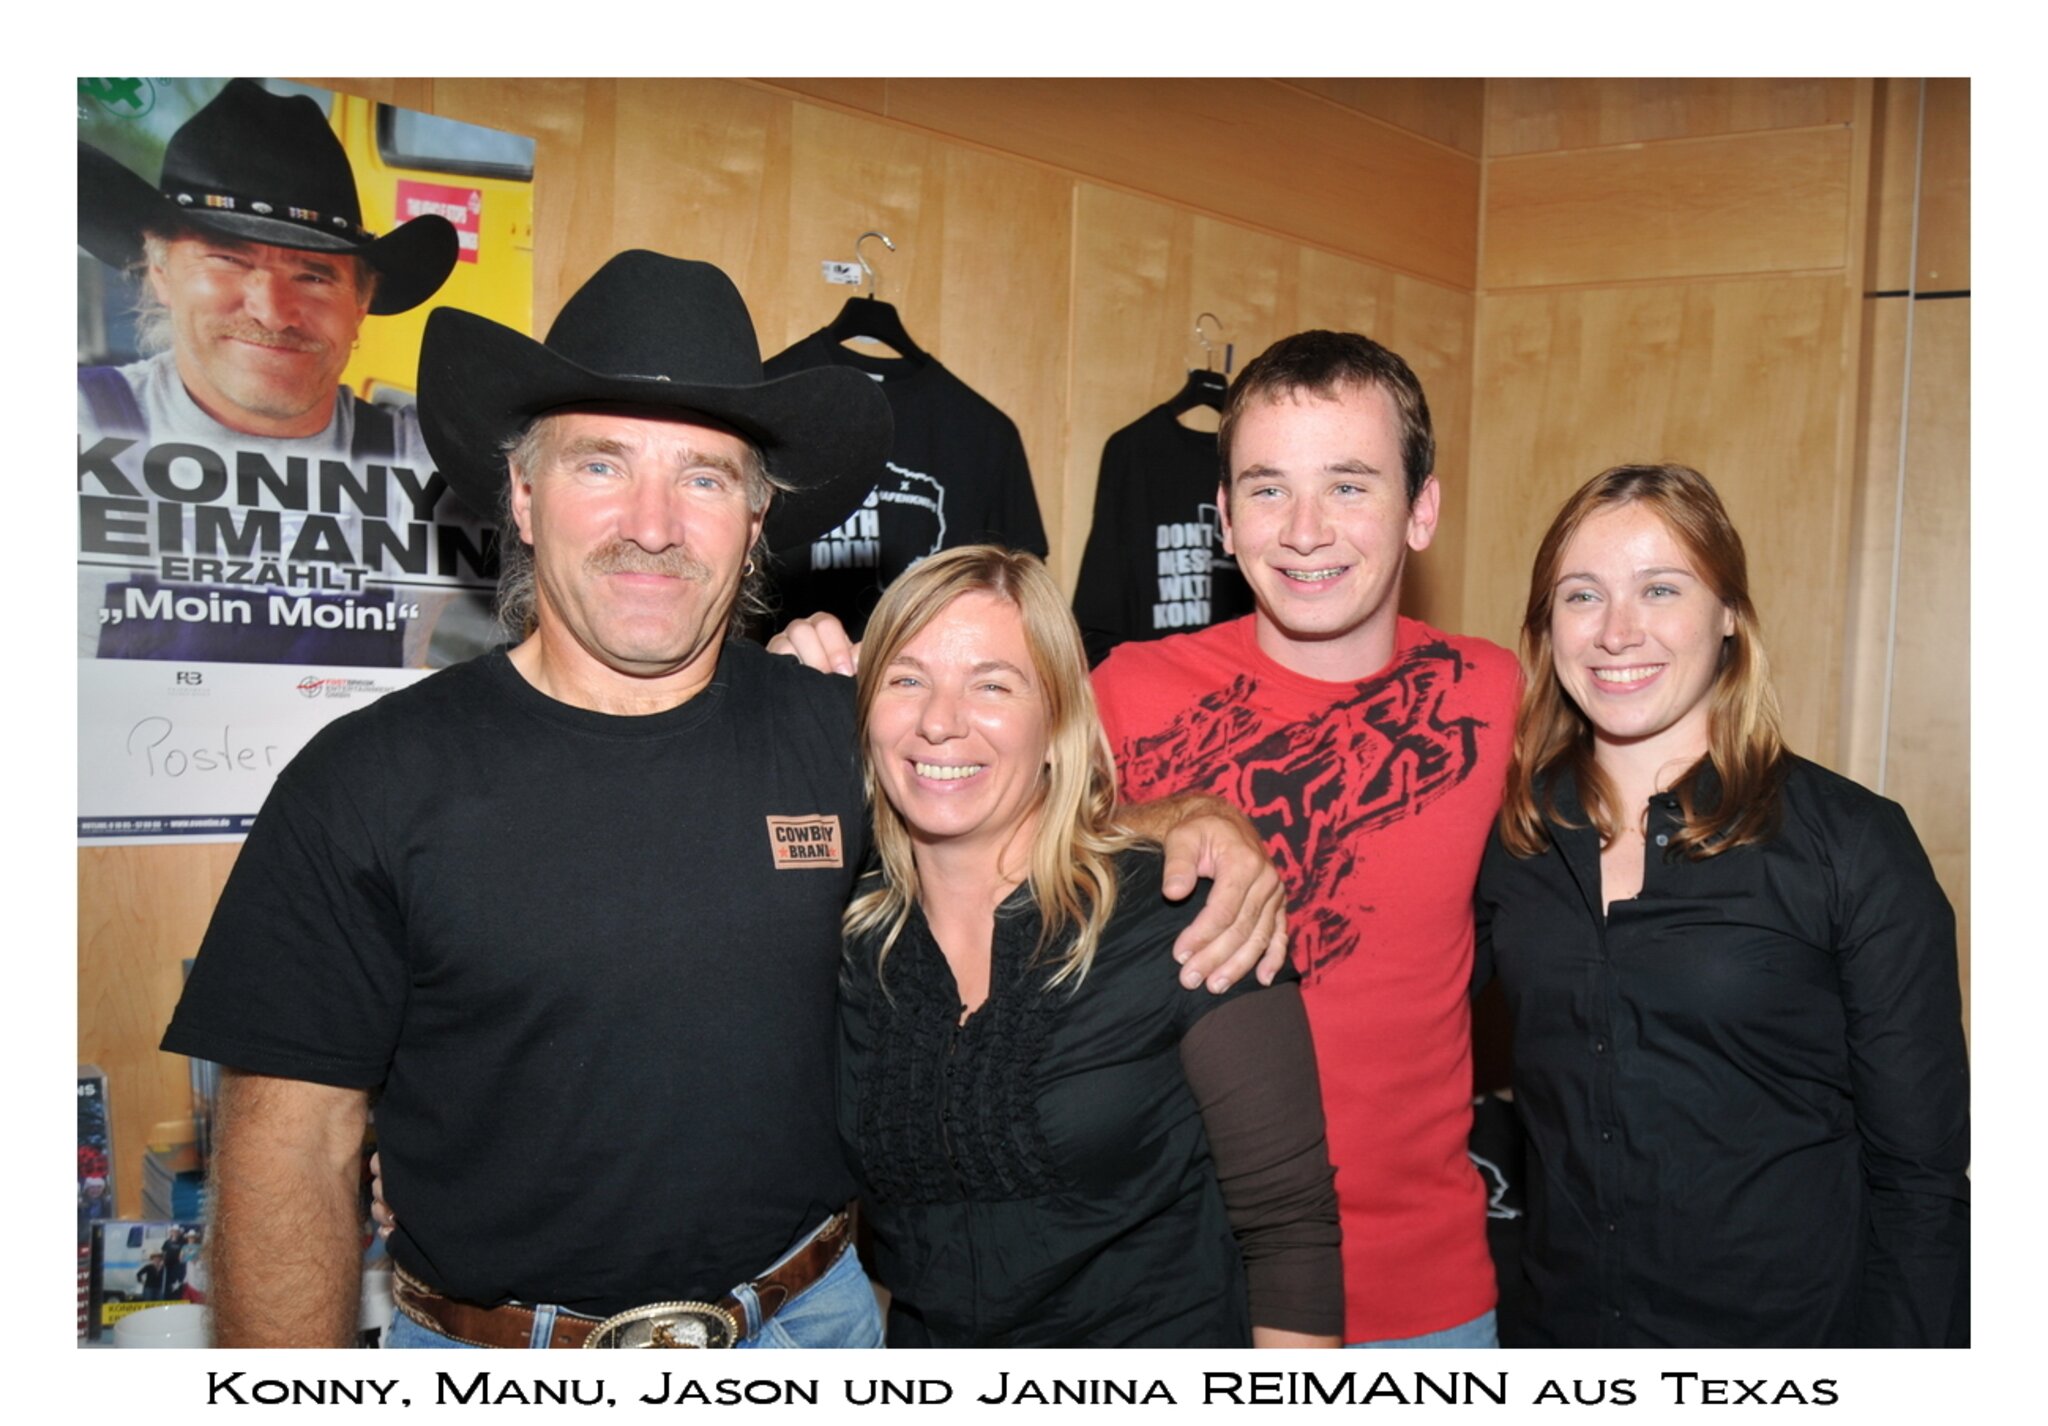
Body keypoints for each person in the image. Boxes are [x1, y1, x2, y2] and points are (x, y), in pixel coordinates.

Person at [162, 250, 1286, 1349]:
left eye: (702, 477)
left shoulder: (835, 731)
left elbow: (1005, 810)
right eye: (601, 464)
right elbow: (290, 1154)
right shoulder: (365, 779)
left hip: (810, 1330)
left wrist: (1195, 820)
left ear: (756, 518)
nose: (652, 522)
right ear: (520, 487)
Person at [774, 331, 1515, 1347]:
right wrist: (1182, 812)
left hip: (1424, 1295)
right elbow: (998, 811)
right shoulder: (1122, 690)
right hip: (1179, 1282)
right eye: (1263, 489)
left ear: (1419, 508)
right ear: (1219, 516)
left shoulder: (1496, 699)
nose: (1303, 529)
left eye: (1348, 485)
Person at [1473, 462, 1969, 1347]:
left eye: (1661, 589)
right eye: (1582, 596)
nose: (1618, 632)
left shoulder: (1854, 844)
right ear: (1547, 628)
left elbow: (1922, 1181)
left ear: (1729, 614)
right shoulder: (1505, 842)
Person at [838, 546, 1342, 1346]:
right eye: (906, 678)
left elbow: (1290, 1236)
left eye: (993, 684)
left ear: (1058, 723)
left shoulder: (1184, 914)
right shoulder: (853, 943)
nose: (940, 720)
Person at [77, 78, 486, 666]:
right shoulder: (73, 427)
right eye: (227, 259)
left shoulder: (433, 466)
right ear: (158, 272)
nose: (273, 311)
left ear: (361, 302)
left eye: (314, 275)